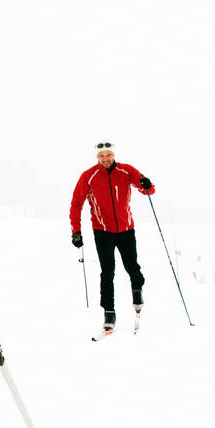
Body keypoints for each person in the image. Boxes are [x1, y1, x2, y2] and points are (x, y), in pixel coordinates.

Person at [69, 142, 155, 334]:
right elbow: (76, 204)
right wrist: (76, 231)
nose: (105, 159)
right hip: (102, 231)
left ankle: (137, 293)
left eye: (108, 155)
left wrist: (146, 184)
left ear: (113, 154)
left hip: (126, 229)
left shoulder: (126, 171)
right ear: (97, 157)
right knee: (107, 272)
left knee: (133, 268)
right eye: (101, 156)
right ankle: (109, 312)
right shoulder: (88, 176)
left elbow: (148, 189)